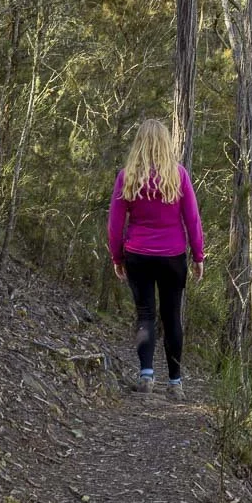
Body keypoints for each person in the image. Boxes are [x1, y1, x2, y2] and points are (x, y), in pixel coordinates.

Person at [107, 119, 205, 398]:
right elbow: (192, 219)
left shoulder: (127, 177)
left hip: (138, 254)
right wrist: (198, 255)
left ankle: (147, 375)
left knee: (146, 315)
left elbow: (115, 224)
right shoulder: (178, 176)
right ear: (166, 144)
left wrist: (117, 256)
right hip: (173, 256)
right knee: (172, 316)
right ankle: (175, 382)